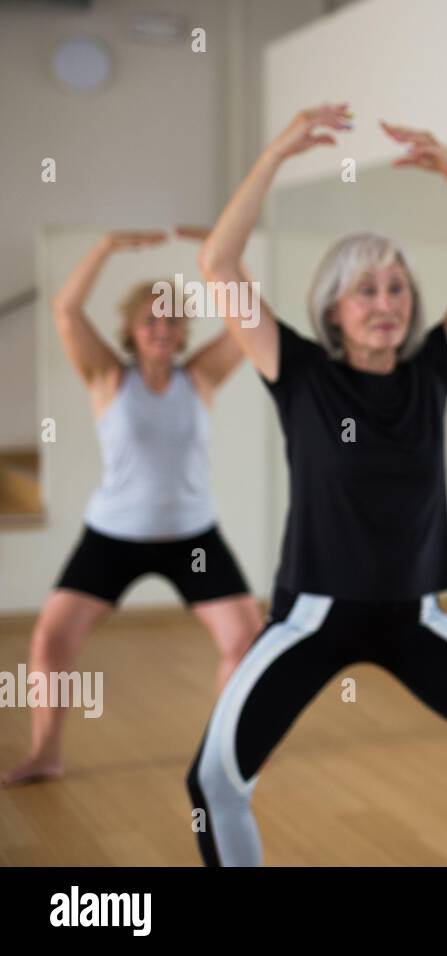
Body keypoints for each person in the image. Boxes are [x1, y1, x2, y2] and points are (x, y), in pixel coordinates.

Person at [185, 106, 447, 866]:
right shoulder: (301, 374)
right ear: (334, 311)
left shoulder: (430, 372)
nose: (386, 304)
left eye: (396, 288)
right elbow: (219, 261)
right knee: (215, 780)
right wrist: (277, 152)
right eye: (366, 292)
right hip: (314, 617)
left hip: (415, 614)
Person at [2, 228, 260, 787]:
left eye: (171, 319)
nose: (162, 328)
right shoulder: (105, 377)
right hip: (112, 537)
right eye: (150, 320)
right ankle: (46, 751)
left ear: (185, 329)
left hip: (193, 538)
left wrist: (217, 255)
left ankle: (221, 755)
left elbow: (249, 317)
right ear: (132, 330)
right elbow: (66, 309)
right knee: (50, 640)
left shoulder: (204, 378)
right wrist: (106, 247)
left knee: (246, 641)